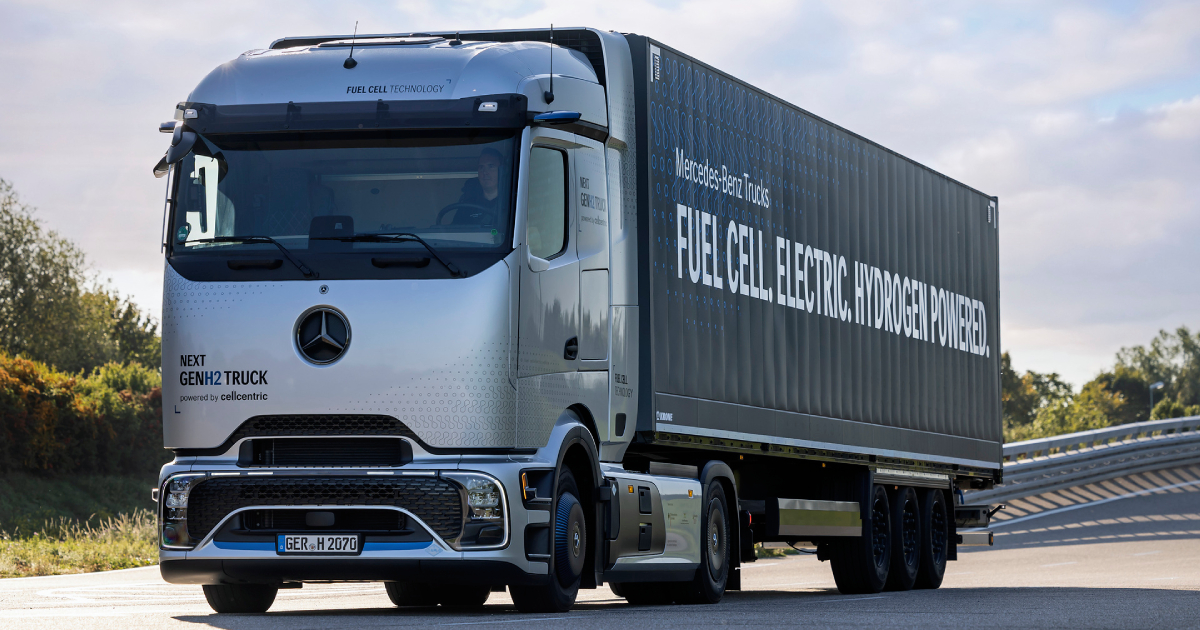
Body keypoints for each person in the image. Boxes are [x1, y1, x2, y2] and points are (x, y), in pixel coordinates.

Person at [451, 148, 504, 225]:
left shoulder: (510, 202)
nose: (485, 172)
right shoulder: (467, 204)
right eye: (481, 167)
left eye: (491, 166)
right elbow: (454, 231)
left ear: (502, 170)